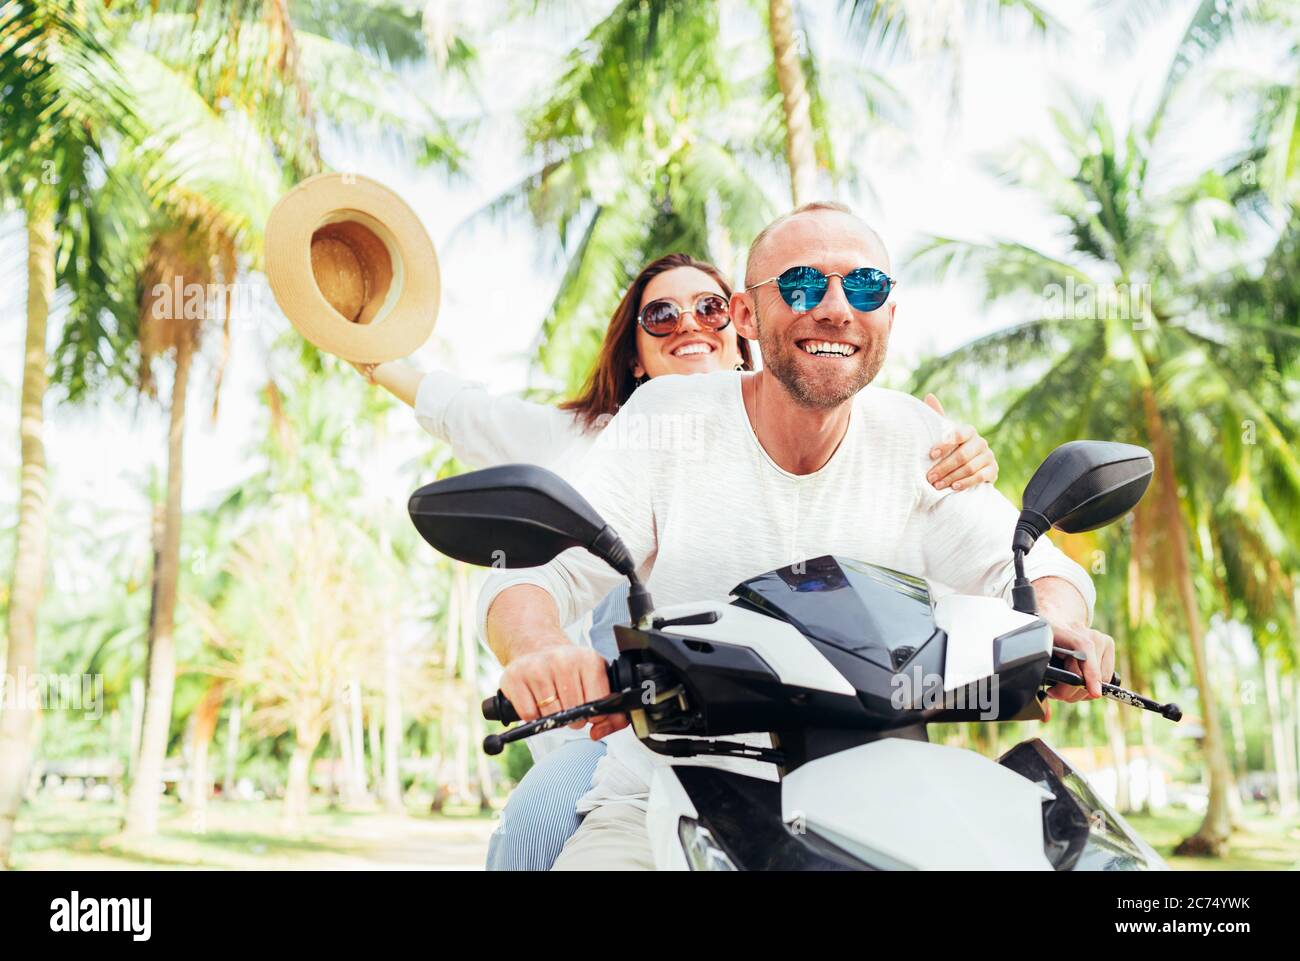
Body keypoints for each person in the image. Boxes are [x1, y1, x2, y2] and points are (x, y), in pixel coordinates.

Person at [477, 202, 1114, 871]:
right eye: (803, 284)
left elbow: (1037, 569)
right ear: (748, 317)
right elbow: (532, 567)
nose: (836, 307)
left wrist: (1057, 627)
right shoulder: (666, 420)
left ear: (889, 316)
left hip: (887, 805)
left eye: (864, 287)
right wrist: (542, 648)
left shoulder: (915, 438)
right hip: (663, 796)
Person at [357, 252, 1000, 870]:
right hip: (621, 734)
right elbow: (469, 425)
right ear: (634, 355)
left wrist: (961, 464)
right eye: (661, 316)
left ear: (743, 326)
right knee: (533, 826)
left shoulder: (860, 425)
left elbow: (950, 559)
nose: (689, 324)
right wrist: (360, 342)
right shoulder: (594, 436)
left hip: (832, 750)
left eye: (710, 308)